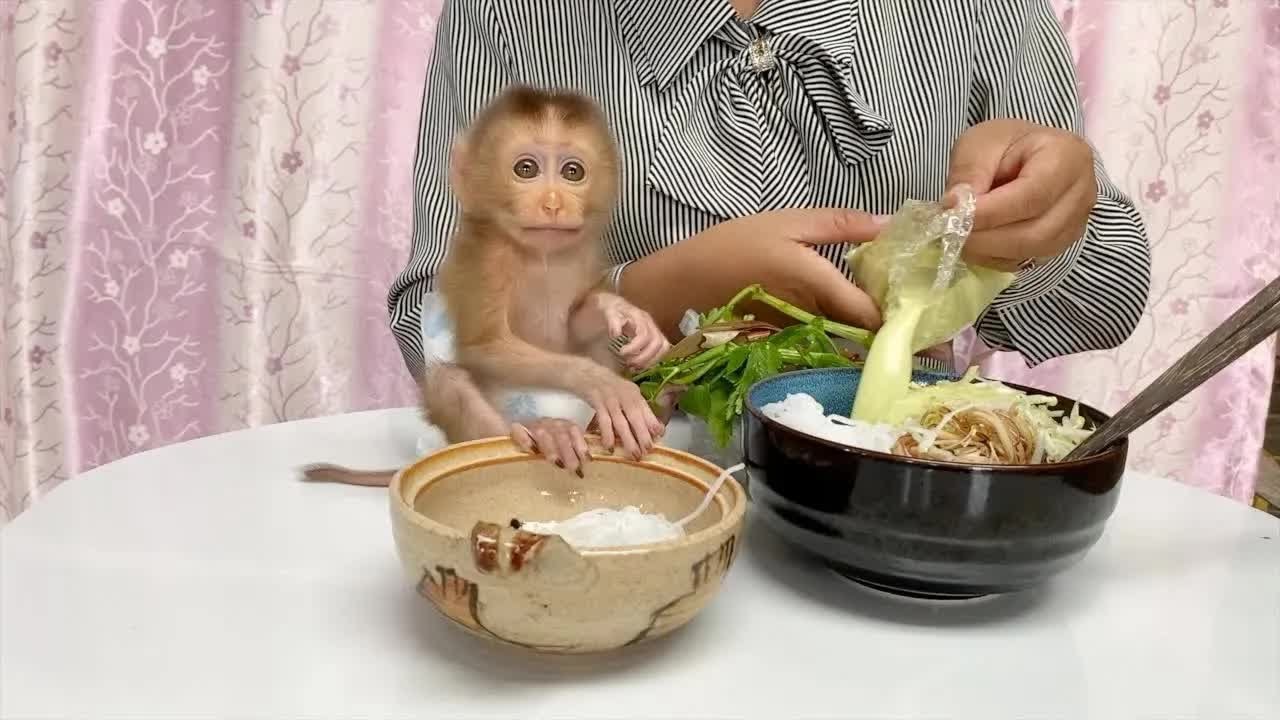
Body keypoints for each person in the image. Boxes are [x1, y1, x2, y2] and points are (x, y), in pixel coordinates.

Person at [386, 0, 1151, 384]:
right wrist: (646, 293)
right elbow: (441, 334)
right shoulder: (514, 15)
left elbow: (1106, 295)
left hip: (902, 523)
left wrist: (1042, 222)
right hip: (613, 512)